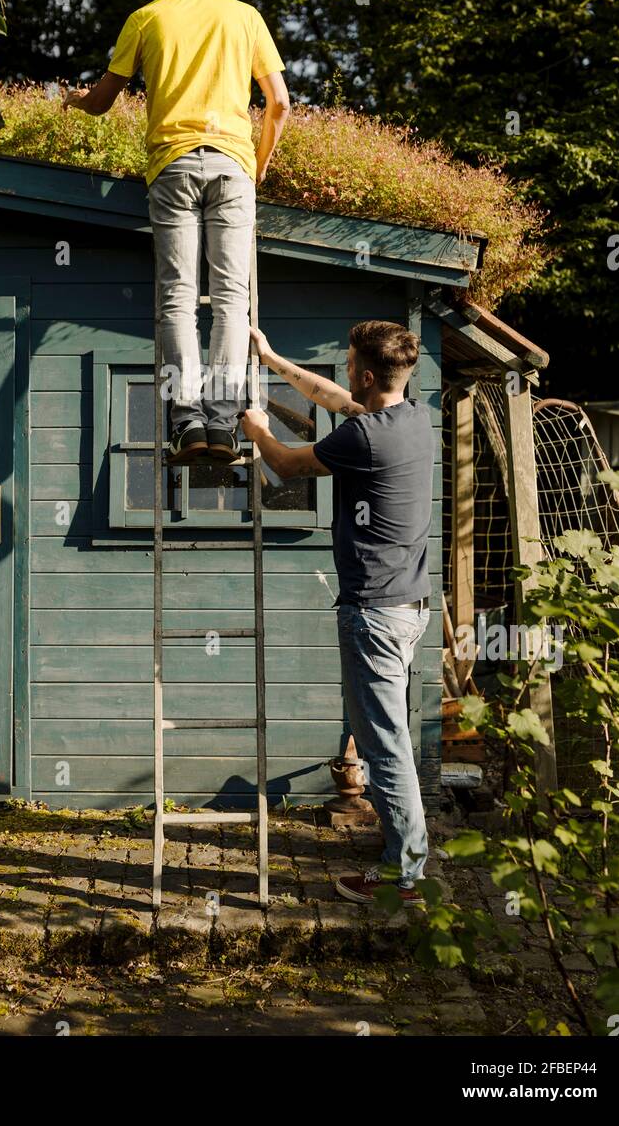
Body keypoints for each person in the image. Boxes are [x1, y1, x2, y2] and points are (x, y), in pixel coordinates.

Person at [62, 0, 290, 464]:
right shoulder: (246, 18)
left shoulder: (146, 18)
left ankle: (187, 422)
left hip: (173, 166)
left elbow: (100, 101)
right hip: (233, 166)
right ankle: (222, 422)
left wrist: (71, 101)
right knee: (234, 299)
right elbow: (279, 103)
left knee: (178, 297)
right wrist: (256, 165)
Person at [241, 320, 434, 906]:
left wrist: (256, 426)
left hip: (374, 612)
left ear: (368, 372)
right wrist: (271, 359)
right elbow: (334, 399)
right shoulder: (413, 419)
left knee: (385, 744)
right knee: (385, 735)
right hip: (407, 606)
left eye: (349, 362)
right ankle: (406, 856)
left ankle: (403, 876)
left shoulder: (364, 440)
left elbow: (285, 463)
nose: (343, 371)